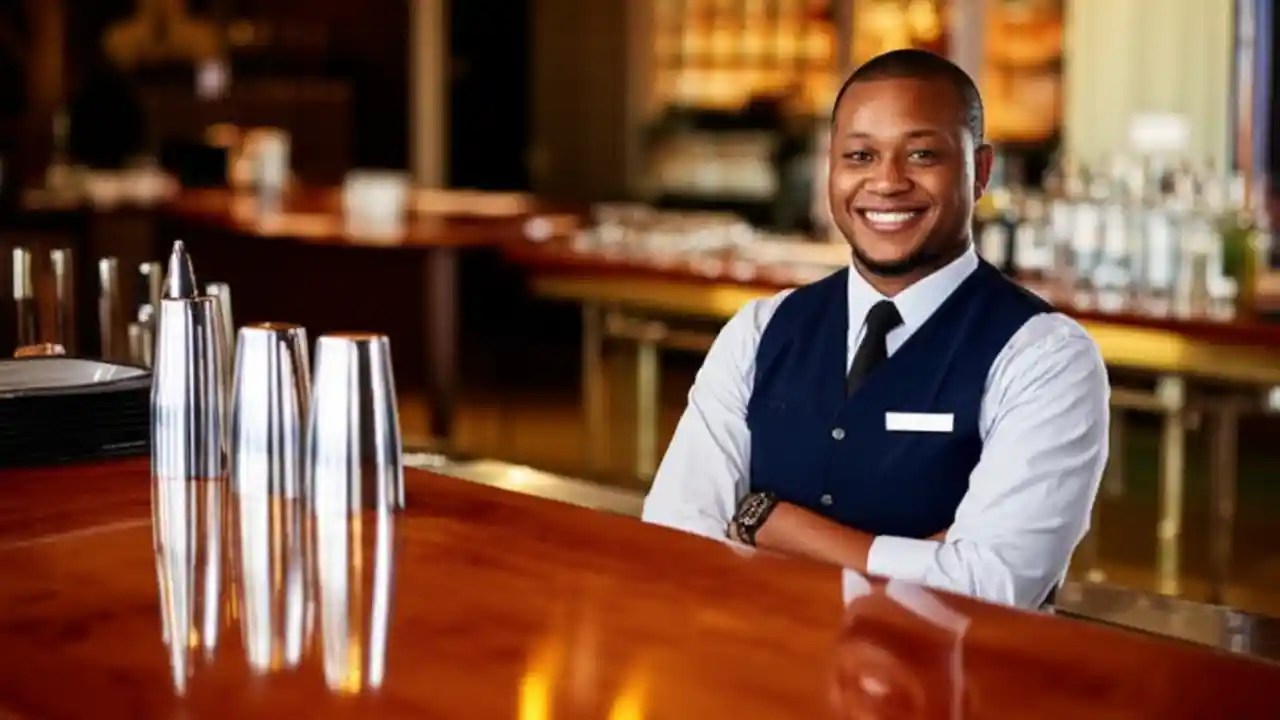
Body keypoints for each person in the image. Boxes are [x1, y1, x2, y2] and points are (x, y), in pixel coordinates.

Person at [641, 49, 1109, 609]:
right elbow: (673, 538)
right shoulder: (759, 331)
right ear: (830, 169)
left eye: (922, 154)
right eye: (860, 155)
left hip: (954, 691)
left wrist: (771, 523)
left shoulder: (1045, 357)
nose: (886, 182)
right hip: (766, 675)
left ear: (980, 171)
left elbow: (991, 586)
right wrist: (928, 558)